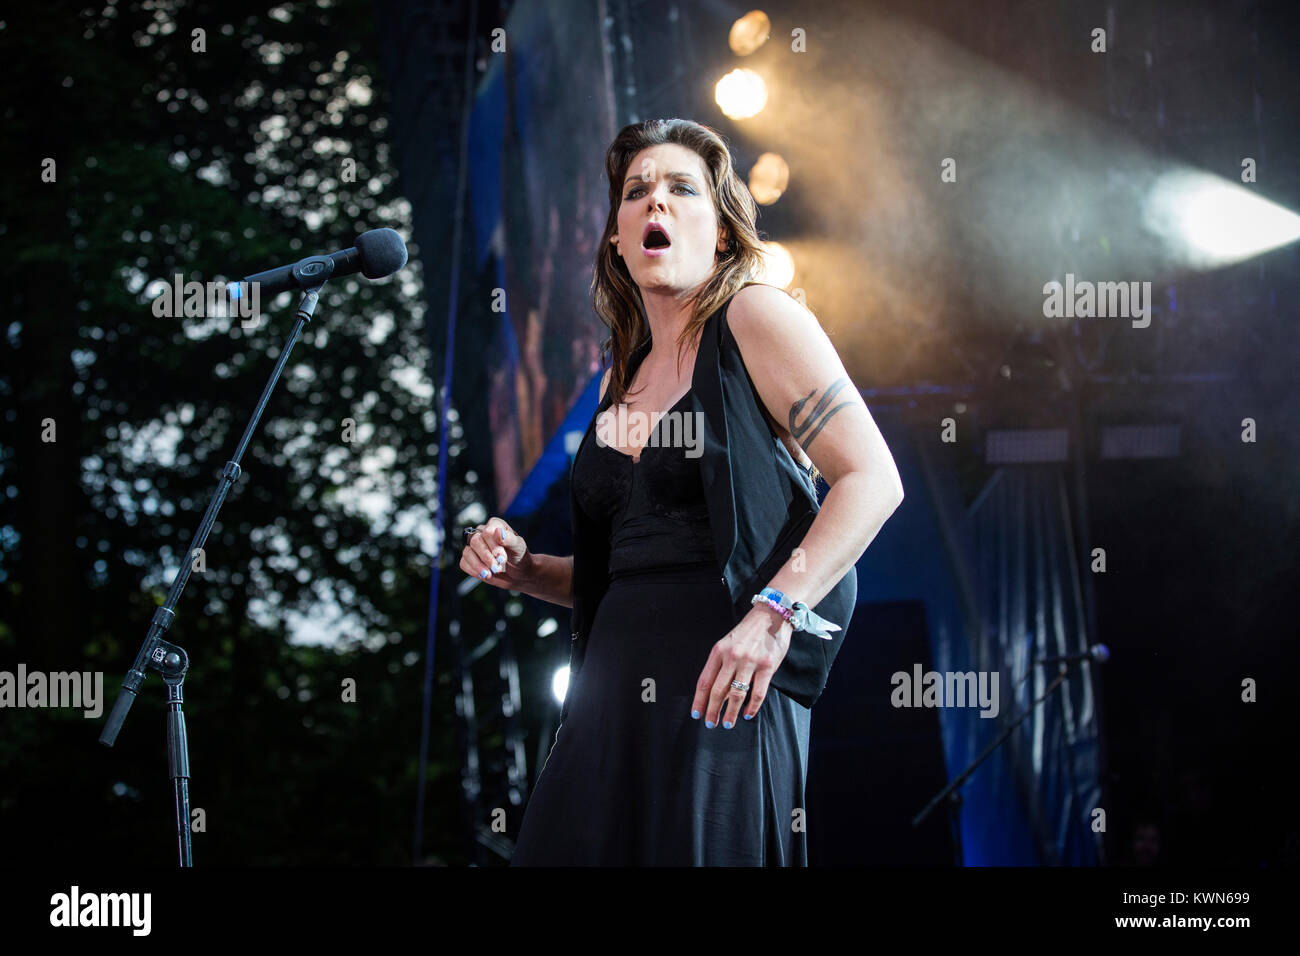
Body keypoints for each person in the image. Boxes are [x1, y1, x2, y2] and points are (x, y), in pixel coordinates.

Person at [459, 118, 904, 865]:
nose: (653, 203)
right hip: (605, 695)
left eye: (680, 188)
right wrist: (525, 569)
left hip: (720, 686)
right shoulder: (617, 380)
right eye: (636, 193)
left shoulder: (755, 318)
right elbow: (626, 571)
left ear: (723, 232)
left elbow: (872, 479)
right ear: (615, 238)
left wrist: (776, 613)